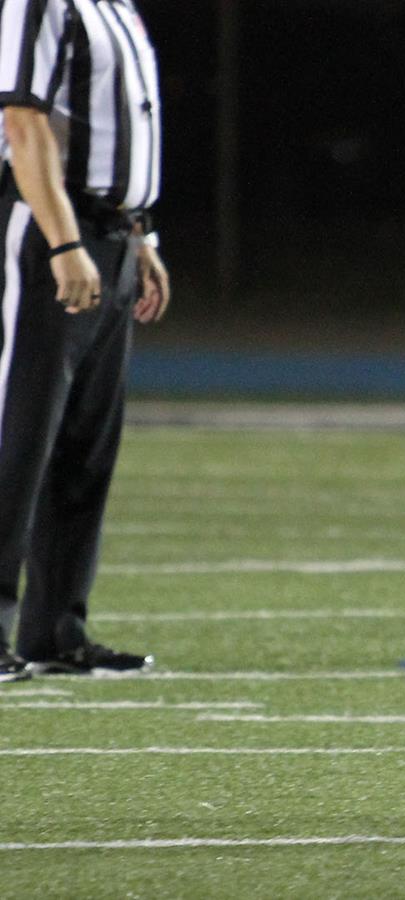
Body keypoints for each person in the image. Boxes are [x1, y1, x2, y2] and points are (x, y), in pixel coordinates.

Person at [0, 0, 171, 683]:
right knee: (17, 436)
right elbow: (21, 119)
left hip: (112, 236)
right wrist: (64, 241)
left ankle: (53, 631)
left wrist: (141, 237)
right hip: (51, 230)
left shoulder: (117, 7)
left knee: (82, 447)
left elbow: (119, 128)